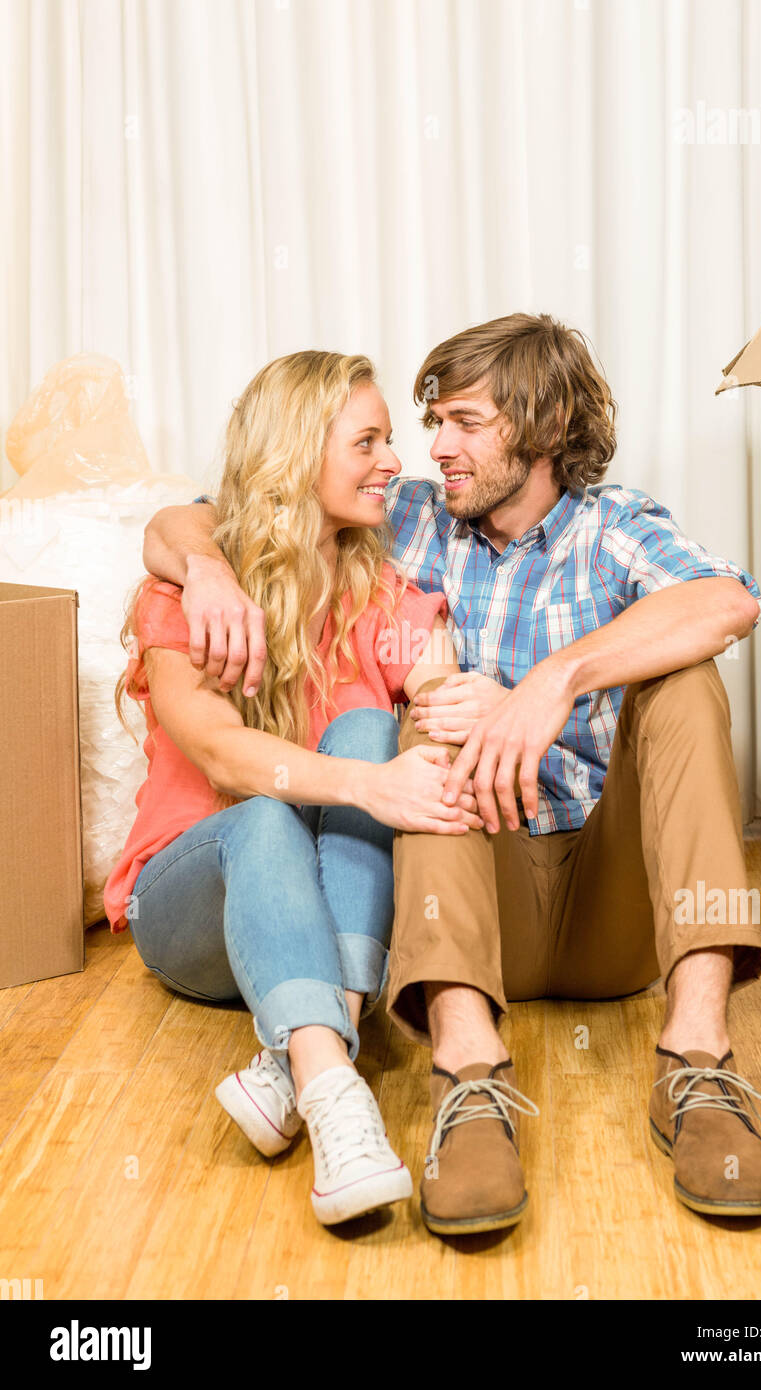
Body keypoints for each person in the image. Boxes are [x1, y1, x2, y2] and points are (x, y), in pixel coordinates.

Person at [141, 312, 761, 1239]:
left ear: (547, 423)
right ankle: (467, 1075)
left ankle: (698, 1057)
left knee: (685, 680)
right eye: (425, 423)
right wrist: (203, 566)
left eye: (463, 424)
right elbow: (222, 509)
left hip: (614, 904)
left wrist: (550, 685)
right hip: (483, 906)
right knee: (420, 713)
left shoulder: (614, 528)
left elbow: (729, 600)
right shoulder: (404, 515)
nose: (429, 450)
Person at [104, 349, 485, 1228]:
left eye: (392, 440)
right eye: (368, 442)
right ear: (296, 452)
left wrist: (469, 700)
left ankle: (311, 1063)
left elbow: (433, 687)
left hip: (306, 926)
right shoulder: (190, 591)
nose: (396, 462)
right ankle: (337, 1096)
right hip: (192, 904)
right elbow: (226, 758)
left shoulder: (376, 591)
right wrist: (374, 787)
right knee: (267, 809)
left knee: (369, 729)